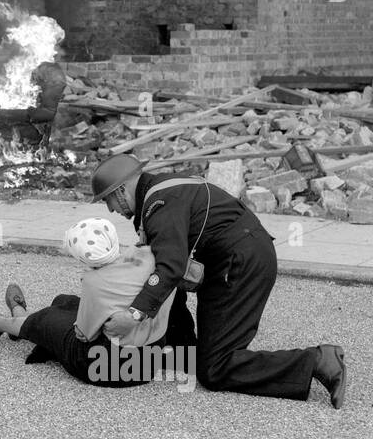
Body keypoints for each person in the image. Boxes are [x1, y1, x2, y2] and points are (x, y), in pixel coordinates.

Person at [90, 153, 348, 408]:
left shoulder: (160, 203)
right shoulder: (161, 191)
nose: (111, 208)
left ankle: (317, 360)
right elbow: (163, 271)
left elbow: (170, 268)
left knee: (216, 368)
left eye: (108, 200)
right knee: (194, 346)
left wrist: (134, 315)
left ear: (121, 189)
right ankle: (183, 349)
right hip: (233, 258)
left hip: (241, 264)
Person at [0, 217, 197, 388]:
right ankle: (19, 320)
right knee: (65, 302)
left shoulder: (94, 281)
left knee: (50, 320)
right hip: (151, 356)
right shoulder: (149, 257)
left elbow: (84, 334)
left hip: (113, 367)